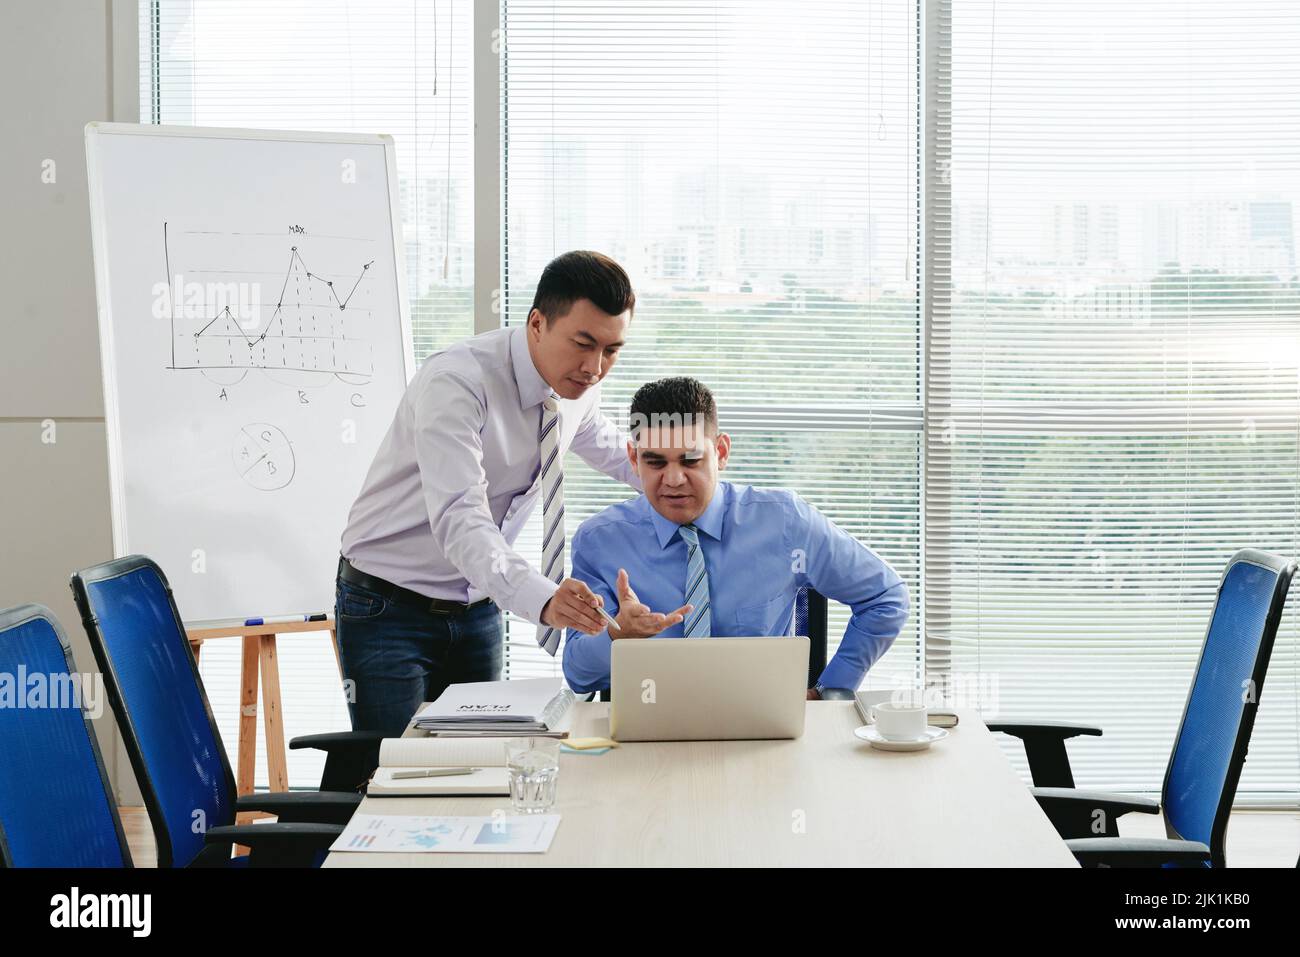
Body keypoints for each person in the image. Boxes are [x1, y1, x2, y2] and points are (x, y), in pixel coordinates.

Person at [336, 251, 680, 735]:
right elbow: (461, 517)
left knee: (480, 764)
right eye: (583, 343)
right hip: (389, 606)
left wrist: (681, 481)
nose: (595, 367)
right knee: (396, 769)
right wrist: (544, 599)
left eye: (611, 349)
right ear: (536, 323)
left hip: (479, 606)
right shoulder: (457, 382)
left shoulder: (577, 385)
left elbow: (603, 444)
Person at [561, 376, 910, 697]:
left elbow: (886, 596)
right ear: (634, 459)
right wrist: (616, 635)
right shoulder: (600, 541)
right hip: (647, 732)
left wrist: (831, 691)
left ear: (721, 452)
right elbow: (579, 675)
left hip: (763, 730)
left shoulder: (784, 521)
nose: (673, 479)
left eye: (690, 460)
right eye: (655, 462)